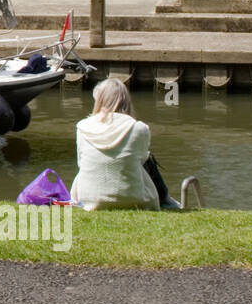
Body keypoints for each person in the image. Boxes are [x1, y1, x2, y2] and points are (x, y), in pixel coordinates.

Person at [70, 78, 177, 210]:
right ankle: (166, 199)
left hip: (88, 198)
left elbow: (81, 163)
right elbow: (143, 160)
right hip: (133, 199)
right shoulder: (138, 128)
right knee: (148, 159)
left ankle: (166, 198)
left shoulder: (82, 127)